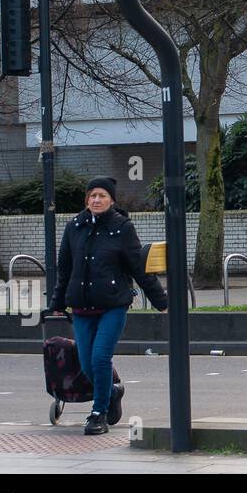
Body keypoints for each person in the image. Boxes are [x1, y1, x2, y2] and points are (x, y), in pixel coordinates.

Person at [49, 177, 168, 435]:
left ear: (112, 200)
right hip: (81, 307)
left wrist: (161, 301)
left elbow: (139, 267)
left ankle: (98, 412)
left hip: (113, 305)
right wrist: (57, 302)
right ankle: (112, 392)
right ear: (86, 200)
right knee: (86, 363)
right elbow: (65, 269)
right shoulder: (74, 227)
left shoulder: (122, 228)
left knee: (100, 358)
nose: (96, 200)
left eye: (102, 195)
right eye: (92, 195)